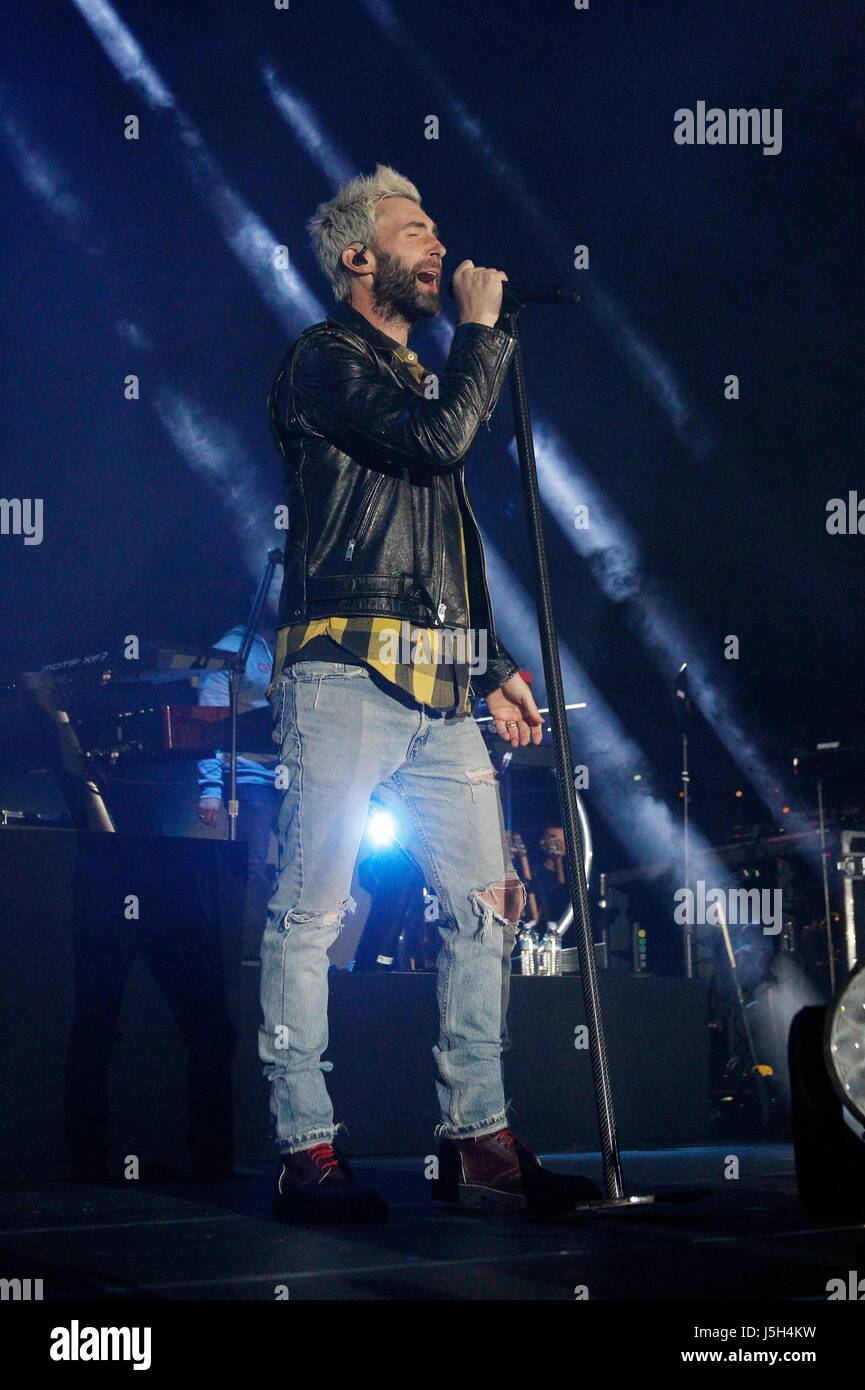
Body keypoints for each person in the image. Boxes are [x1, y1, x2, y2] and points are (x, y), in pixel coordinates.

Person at [260, 164, 601, 1222]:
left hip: (440, 686)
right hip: (343, 675)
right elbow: (440, 443)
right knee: (308, 913)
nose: (438, 246)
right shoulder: (326, 361)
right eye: (414, 230)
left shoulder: (419, 381)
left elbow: (439, 546)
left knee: (486, 907)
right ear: (360, 257)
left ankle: (478, 1138)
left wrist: (492, 664)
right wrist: (484, 335)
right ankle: (305, 1151)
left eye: (435, 227)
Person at [197, 624, 279, 959]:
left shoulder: (287, 646)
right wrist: (211, 786)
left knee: (295, 868)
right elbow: (208, 720)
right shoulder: (233, 648)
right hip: (247, 778)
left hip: (289, 776)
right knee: (251, 868)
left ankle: (281, 950)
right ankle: (243, 955)